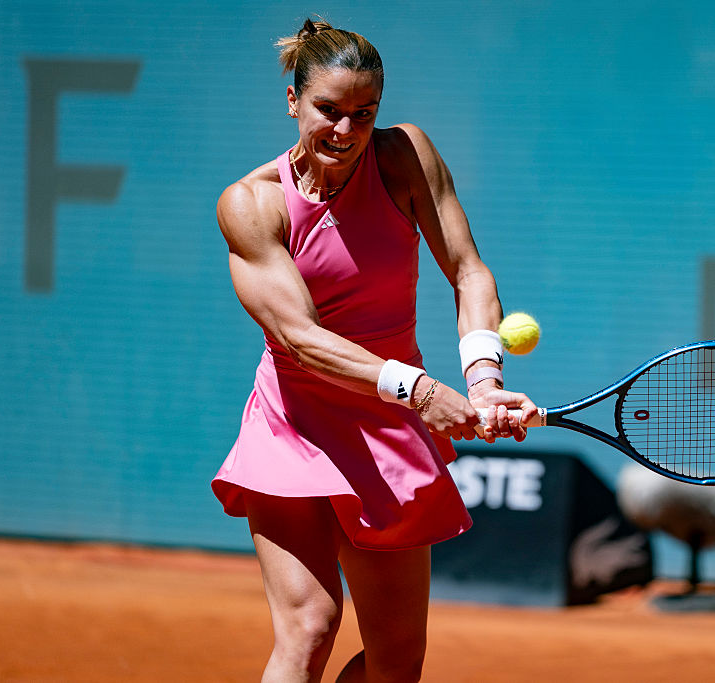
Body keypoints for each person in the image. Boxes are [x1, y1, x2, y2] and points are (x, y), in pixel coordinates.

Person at [211, 17, 539, 683]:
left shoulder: (404, 155)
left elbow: (468, 271)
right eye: (329, 111)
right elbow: (300, 339)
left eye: (364, 114)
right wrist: (419, 390)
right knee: (309, 626)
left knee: (396, 659)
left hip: (386, 427)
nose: (345, 131)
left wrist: (481, 378)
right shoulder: (252, 205)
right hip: (294, 424)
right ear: (293, 101)